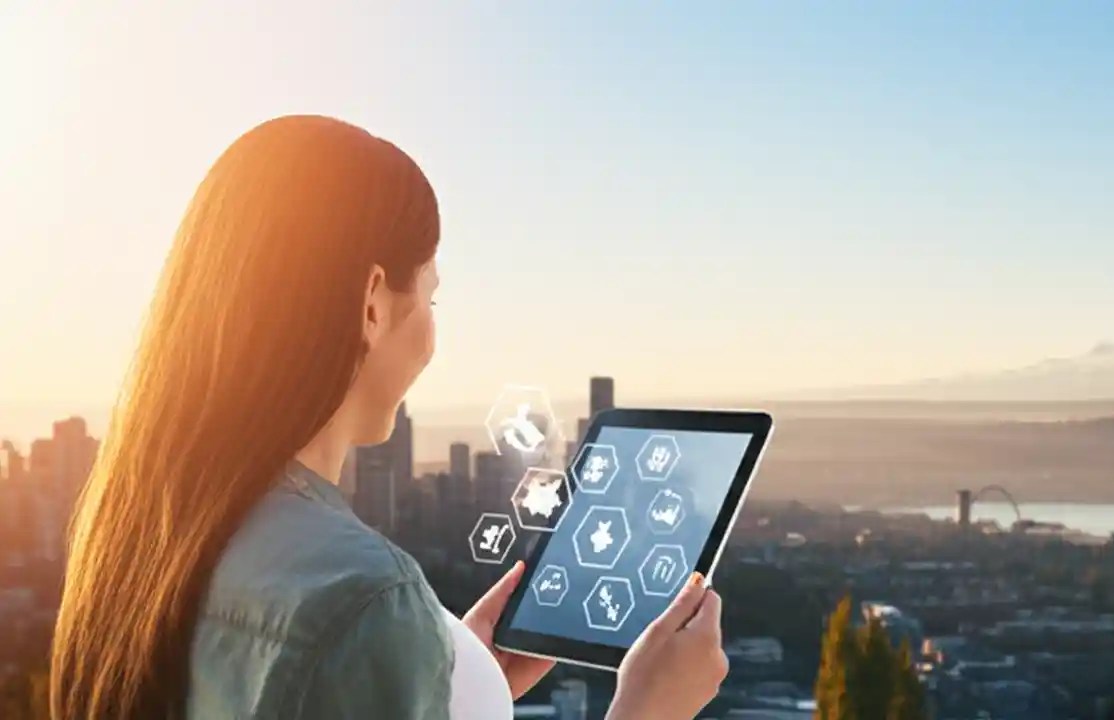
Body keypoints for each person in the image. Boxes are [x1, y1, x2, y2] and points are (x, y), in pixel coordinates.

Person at [50, 115, 729, 719]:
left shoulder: (136, 537)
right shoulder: (365, 597)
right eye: (432, 298)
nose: (433, 337)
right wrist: (650, 709)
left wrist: (453, 673)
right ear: (372, 304)